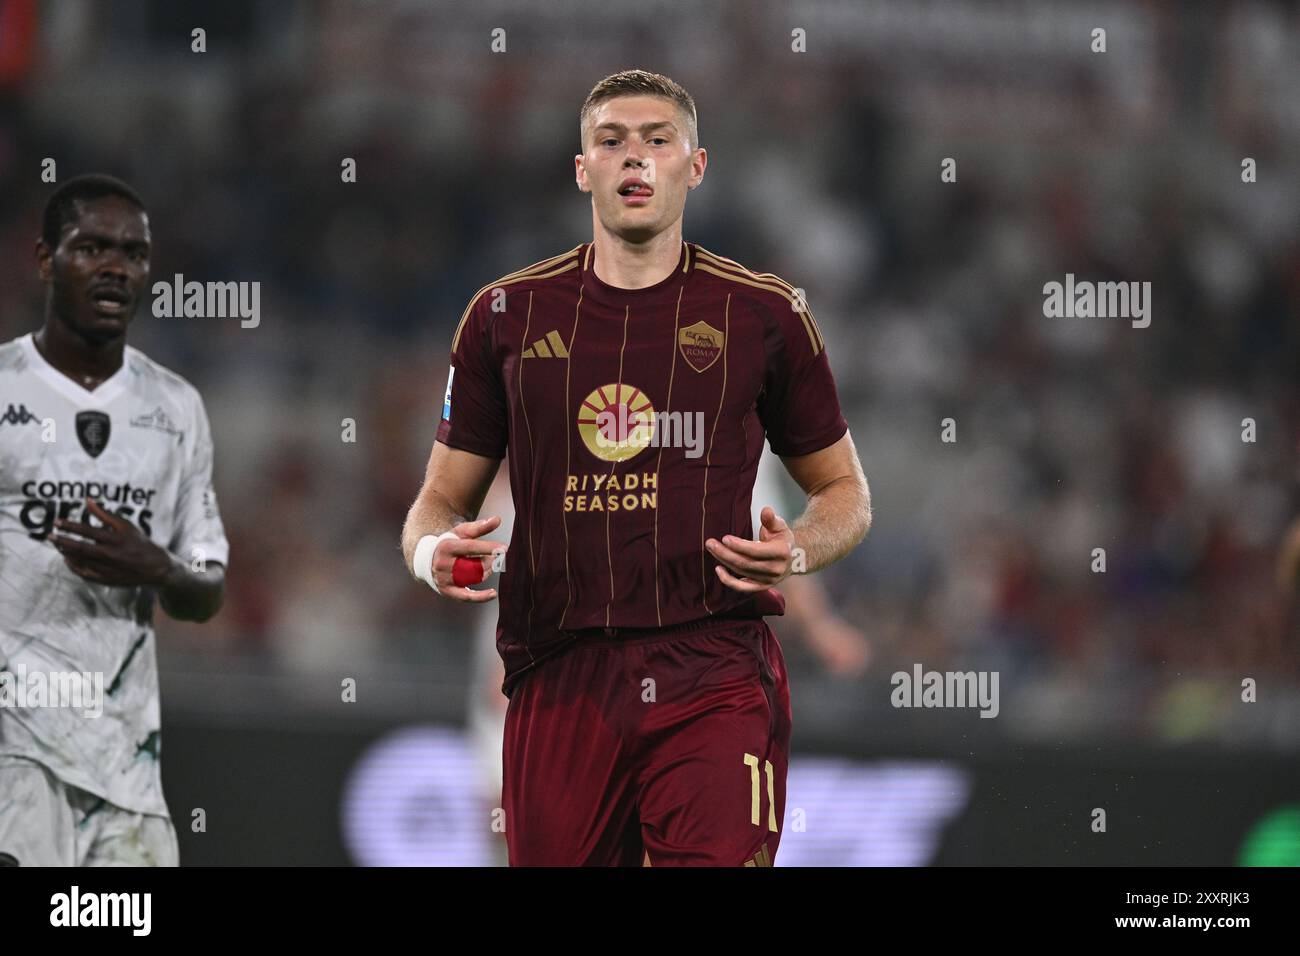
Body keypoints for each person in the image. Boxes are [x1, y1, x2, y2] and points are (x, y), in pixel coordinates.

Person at [402, 70, 871, 866]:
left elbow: (845, 493)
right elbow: (439, 499)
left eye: (659, 140)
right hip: (560, 674)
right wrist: (428, 551)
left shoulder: (765, 315)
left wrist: (797, 549)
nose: (637, 158)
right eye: (612, 140)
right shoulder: (503, 317)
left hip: (712, 666)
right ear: (582, 169)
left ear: (696, 166)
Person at [0, 174, 228, 866]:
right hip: (14, 754)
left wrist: (158, 568)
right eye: (91, 248)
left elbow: (206, 591)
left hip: (126, 766)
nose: (115, 268)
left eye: (133, 254)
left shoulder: (176, 407)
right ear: (45, 259)